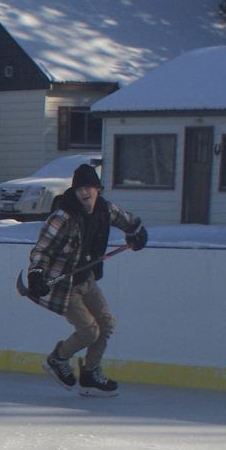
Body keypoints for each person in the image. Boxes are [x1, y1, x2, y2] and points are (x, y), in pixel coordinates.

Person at [24, 161, 146, 396]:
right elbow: (42, 249)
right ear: (74, 190)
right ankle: (57, 359)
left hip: (86, 278)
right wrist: (36, 272)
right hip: (64, 284)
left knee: (106, 324)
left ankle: (90, 374)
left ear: (97, 188)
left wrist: (136, 232)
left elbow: (125, 219)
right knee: (90, 331)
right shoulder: (63, 217)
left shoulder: (103, 208)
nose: (85, 192)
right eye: (80, 188)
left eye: (89, 187)